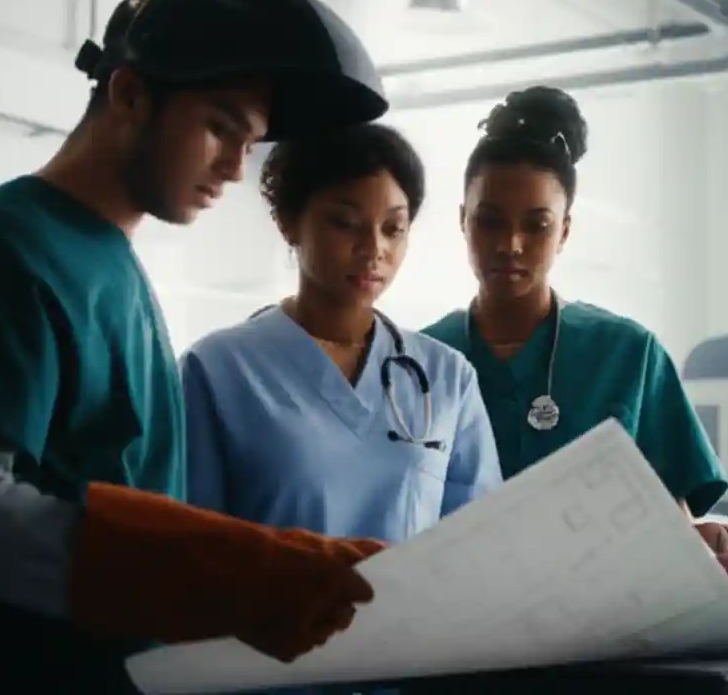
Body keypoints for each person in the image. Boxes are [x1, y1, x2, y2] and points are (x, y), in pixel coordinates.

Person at [0, 0, 396, 692]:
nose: (234, 167)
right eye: (220, 127)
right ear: (128, 95)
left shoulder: (115, 268)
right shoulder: (4, 249)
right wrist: (227, 570)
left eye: (249, 143)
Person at [421, 86, 728, 601]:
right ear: (463, 221)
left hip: (609, 631)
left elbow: (671, 519)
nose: (510, 244)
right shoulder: (421, 361)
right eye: (490, 220)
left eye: (537, 225)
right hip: (459, 629)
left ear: (564, 231)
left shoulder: (628, 355)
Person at [181, 123, 502, 550]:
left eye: (393, 229)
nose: (374, 250)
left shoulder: (447, 379)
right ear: (289, 221)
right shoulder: (217, 370)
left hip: (418, 618)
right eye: (346, 223)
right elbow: (188, 547)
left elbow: (480, 546)